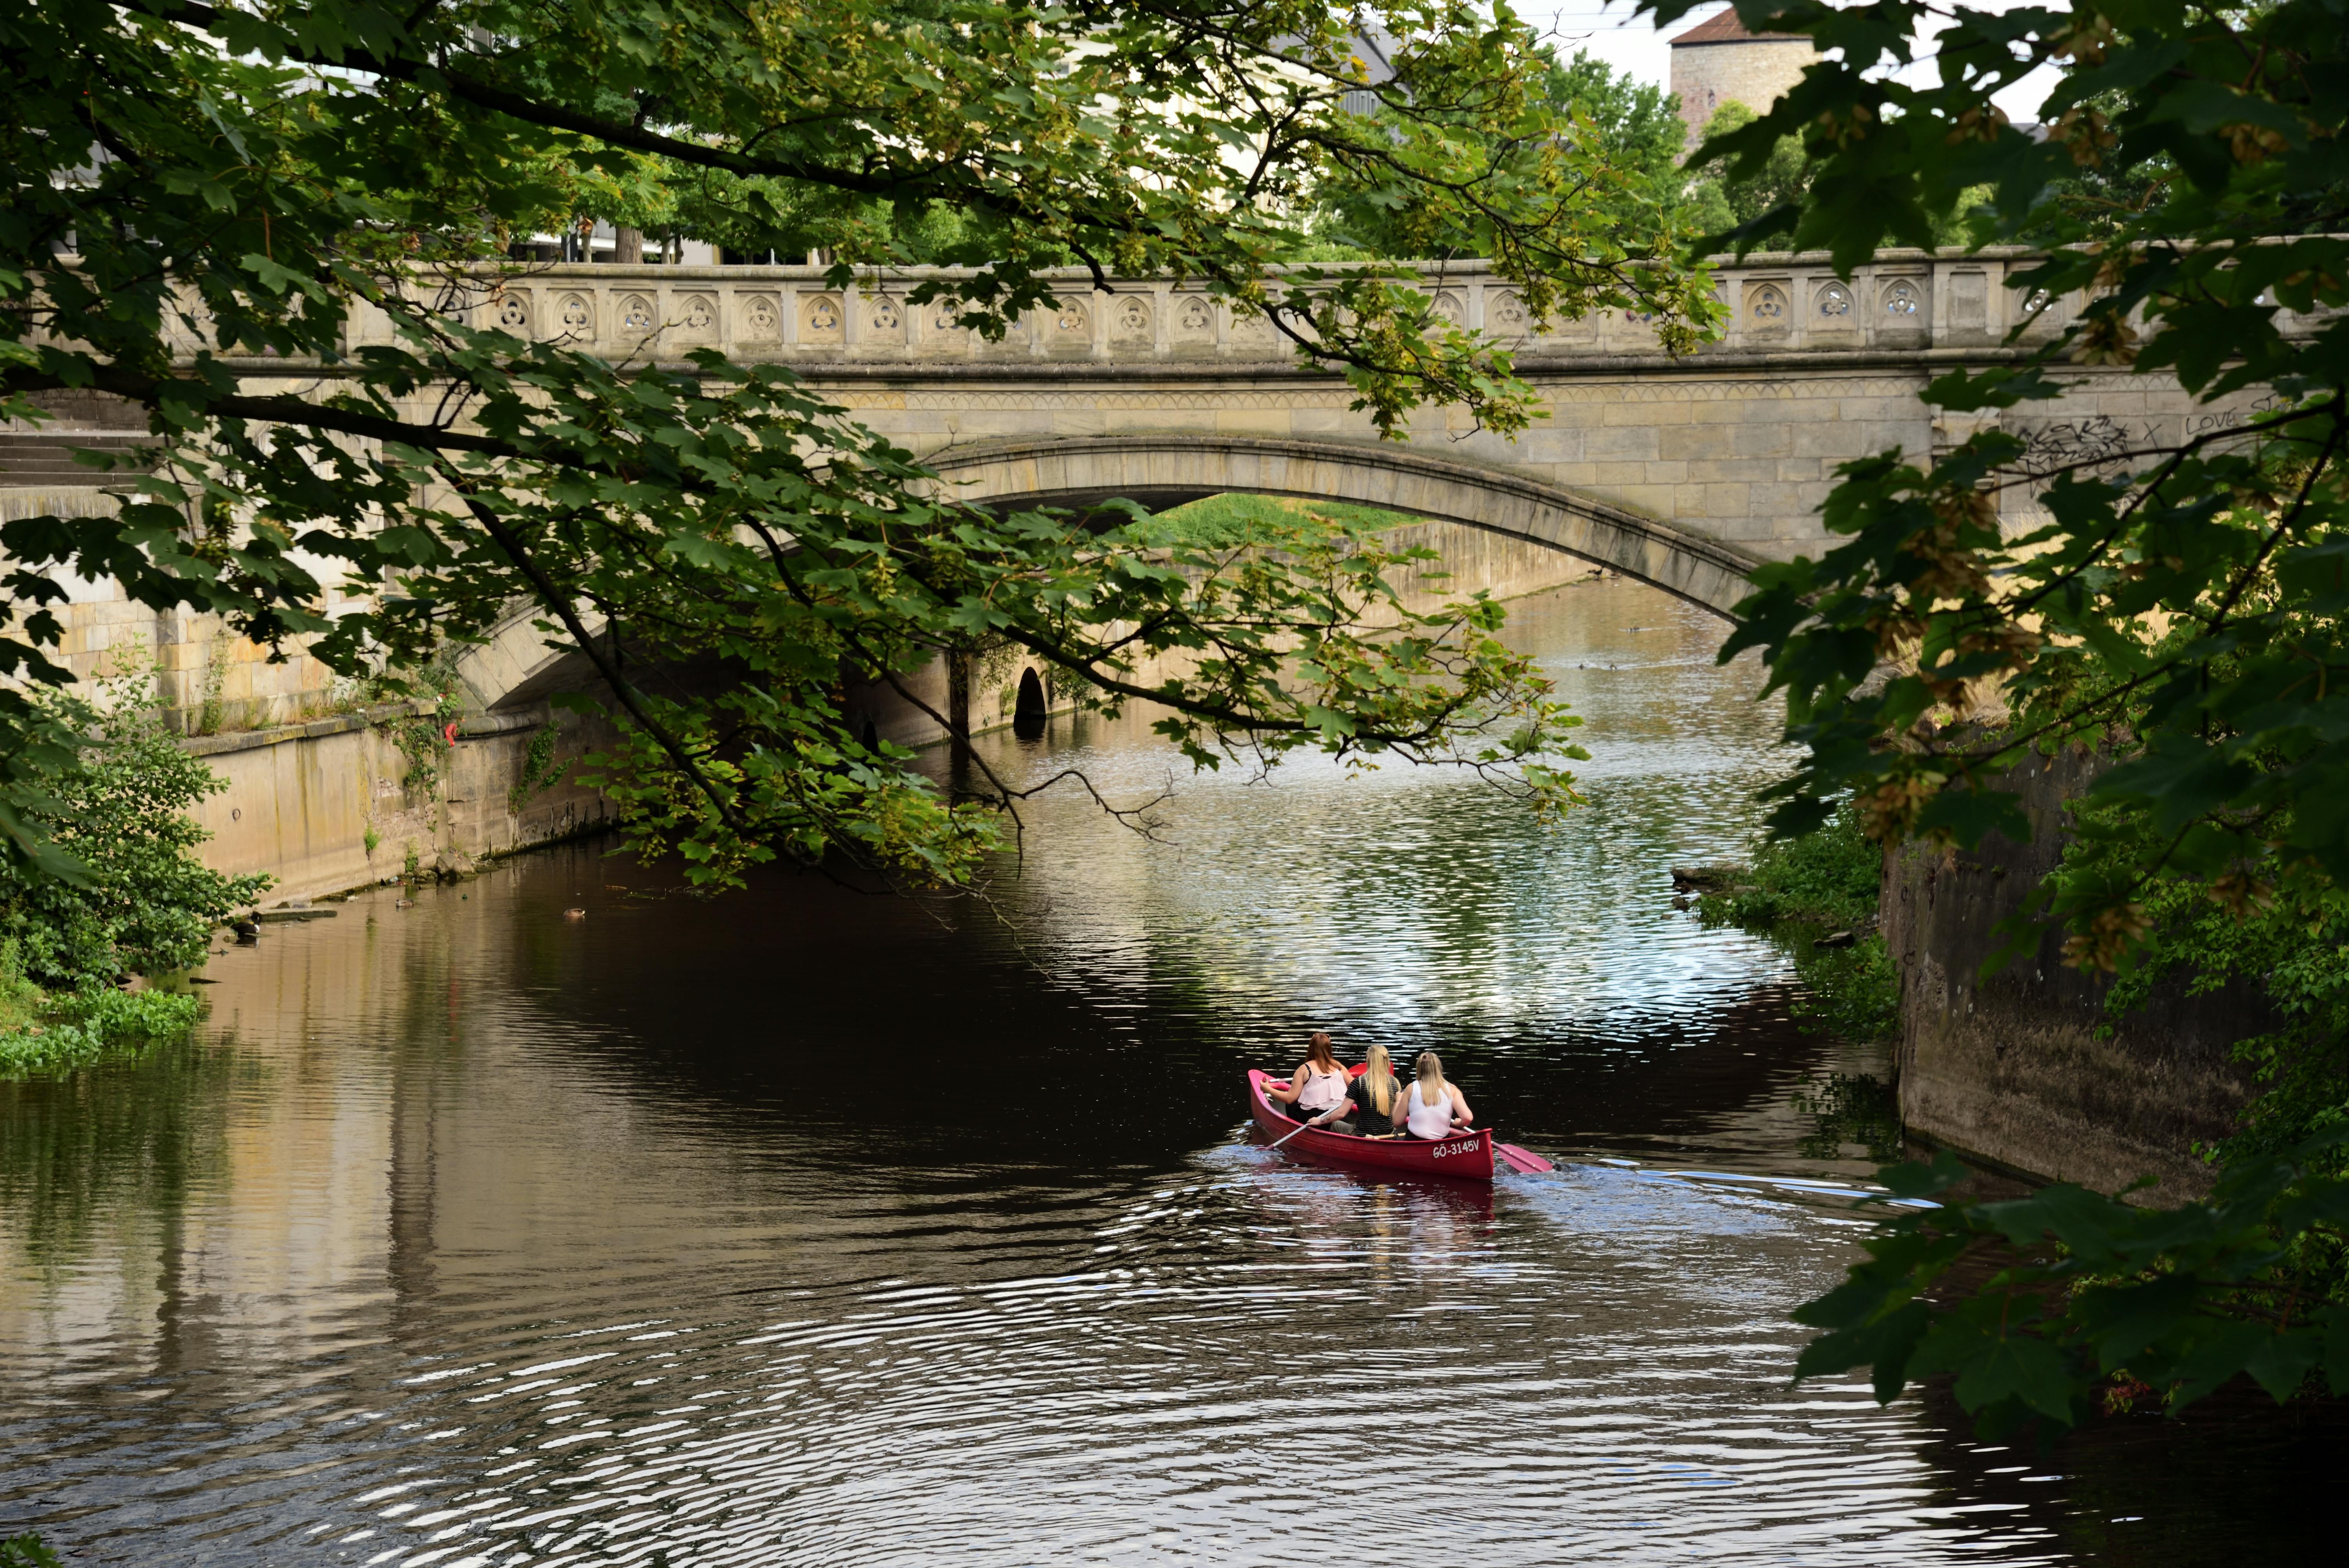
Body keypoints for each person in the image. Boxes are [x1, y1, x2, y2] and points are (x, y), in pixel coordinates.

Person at [1265, 1031, 1351, 1130]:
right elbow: (1357, 1086)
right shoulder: (1339, 1067)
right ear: (1329, 1049)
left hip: (1315, 1119)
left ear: (1311, 1048)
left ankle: (1294, 1127)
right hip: (1339, 1114)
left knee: (1293, 1103)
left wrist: (1268, 1089)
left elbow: (1289, 1099)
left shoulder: (1305, 1069)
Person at [1393, 1050, 1472, 1139]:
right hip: (1441, 1145)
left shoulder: (1411, 1088)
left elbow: (1397, 1122)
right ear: (1439, 1068)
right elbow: (1468, 1118)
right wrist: (1458, 1124)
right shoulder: (1453, 1090)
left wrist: (1398, 1099)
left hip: (1415, 1142)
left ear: (1419, 1069)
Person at [1335, 1043, 1403, 1137]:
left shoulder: (1359, 1082)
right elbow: (1395, 1118)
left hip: (1363, 1135)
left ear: (1369, 1060)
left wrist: (1320, 1121)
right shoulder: (1396, 1083)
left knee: (1335, 1124)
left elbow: (1341, 1113)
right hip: (1388, 1136)